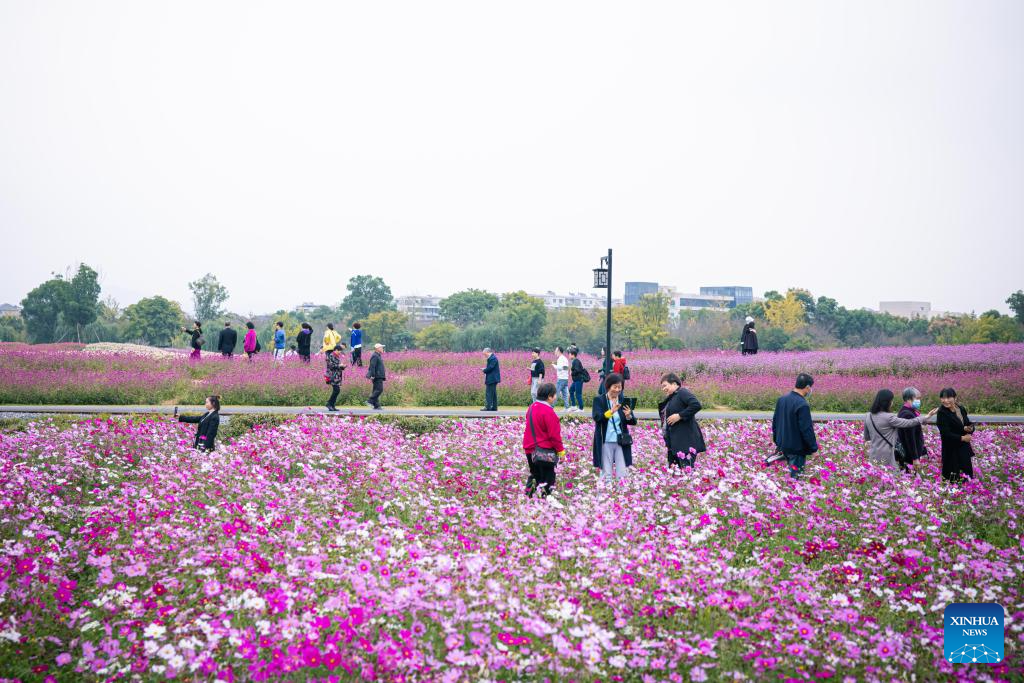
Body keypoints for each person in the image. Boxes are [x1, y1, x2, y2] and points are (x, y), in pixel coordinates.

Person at [863, 389, 937, 471]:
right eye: (891, 401)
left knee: (875, 477)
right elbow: (908, 423)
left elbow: (867, 437)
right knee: (889, 477)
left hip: (873, 453)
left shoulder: (868, 416)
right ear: (887, 402)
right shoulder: (889, 417)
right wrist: (926, 417)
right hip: (887, 454)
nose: (892, 403)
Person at [591, 373, 638, 483]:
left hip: (620, 441)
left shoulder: (622, 400)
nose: (617, 390)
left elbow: (633, 421)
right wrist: (611, 411)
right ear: (608, 386)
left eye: (620, 387)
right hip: (605, 441)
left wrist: (628, 415)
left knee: (622, 472)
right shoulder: (599, 400)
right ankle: (604, 496)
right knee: (606, 472)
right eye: (615, 387)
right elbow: (597, 417)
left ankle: (621, 496)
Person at [523, 382, 566, 499]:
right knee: (548, 478)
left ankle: (528, 498)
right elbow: (554, 436)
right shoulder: (548, 411)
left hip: (529, 448)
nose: (556, 397)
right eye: (555, 395)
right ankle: (546, 501)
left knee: (535, 475)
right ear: (549, 397)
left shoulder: (532, 407)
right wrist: (561, 452)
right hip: (544, 450)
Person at [771, 373, 819, 478]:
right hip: (797, 448)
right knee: (796, 481)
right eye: (810, 388)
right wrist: (814, 449)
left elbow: (775, 423)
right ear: (807, 387)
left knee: (784, 478)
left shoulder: (782, 399)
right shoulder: (802, 404)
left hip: (783, 446)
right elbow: (806, 429)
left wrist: (777, 441)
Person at [657, 372, 706, 468]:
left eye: (665, 386)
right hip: (675, 444)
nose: (663, 389)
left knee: (686, 473)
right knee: (675, 475)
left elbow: (696, 405)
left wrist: (680, 415)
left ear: (674, 384)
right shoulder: (672, 397)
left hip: (686, 444)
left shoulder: (682, 392)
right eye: (662, 387)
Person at [936, 387, 975, 482]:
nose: (945, 401)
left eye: (948, 397)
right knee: (952, 475)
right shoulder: (942, 412)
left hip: (963, 447)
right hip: (951, 448)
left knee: (966, 474)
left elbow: (967, 422)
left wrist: (970, 428)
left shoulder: (960, 409)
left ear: (955, 398)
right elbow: (945, 433)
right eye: (943, 398)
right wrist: (962, 438)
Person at [896, 387, 928, 471]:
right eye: (917, 398)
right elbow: (910, 438)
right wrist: (915, 458)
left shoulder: (909, 411)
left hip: (910, 454)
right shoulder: (907, 414)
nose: (919, 401)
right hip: (909, 456)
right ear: (908, 399)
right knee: (909, 478)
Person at [324, 342, 347, 411]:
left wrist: (343, 366)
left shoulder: (337, 356)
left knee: (336, 390)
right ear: (336, 350)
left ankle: (332, 405)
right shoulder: (330, 356)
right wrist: (339, 366)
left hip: (337, 376)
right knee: (337, 390)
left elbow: (338, 366)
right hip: (332, 376)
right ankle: (329, 403)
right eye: (339, 351)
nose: (340, 352)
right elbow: (330, 366)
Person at [365, 343, 386, 410]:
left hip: (378, 375)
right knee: (379, 389)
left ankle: (376, 405)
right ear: (378, 348)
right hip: (377, 376)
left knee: (375, 390)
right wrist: (373, 375)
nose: (382, 349)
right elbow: (372, 366)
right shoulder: (375, 356)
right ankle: (370, 401)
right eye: (381, 348)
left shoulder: (378, 355)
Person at [568, 348, 587, 413]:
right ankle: (573, 406)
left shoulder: (576, 361)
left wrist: (571, 373)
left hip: (579, 380)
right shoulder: (574, 361)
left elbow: (578, 370)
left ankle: (581, 408)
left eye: (569, 354)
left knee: (578, 394)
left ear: (573, 355)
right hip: (576, 380)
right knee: (571, 390)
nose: (569, 356)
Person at [552, 346, 570, 410]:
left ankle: (551, 407)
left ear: (559, 351)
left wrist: (554, 365)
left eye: (556, 350)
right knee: (565, 394)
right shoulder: (565, 358)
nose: (555, 352)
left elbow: (560, 368)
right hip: (565, 378)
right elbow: (566, 368)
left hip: (561, 378)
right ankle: (567, 408)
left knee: (556, 393)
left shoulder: (560, 359)